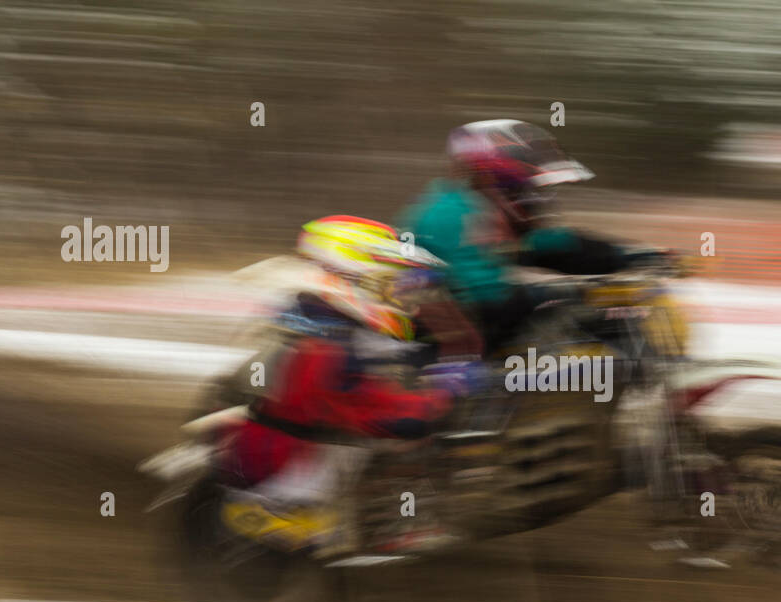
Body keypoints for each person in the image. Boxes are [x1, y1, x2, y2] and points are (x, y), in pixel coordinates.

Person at [222, 216, 482, 555]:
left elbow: (379, 356)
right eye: (388, 284)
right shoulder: (328, 344)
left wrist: (432, 367)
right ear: (350, 279)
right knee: (418, 435)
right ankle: (396, 522)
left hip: (275, 444)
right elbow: (370, 408)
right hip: (285, 477)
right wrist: (442, 396)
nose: (398, 295)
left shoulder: (316, 319)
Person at [400, 119, 630, 351]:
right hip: (443, 347)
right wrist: (560, 296)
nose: (536, 198)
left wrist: (625, 255)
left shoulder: (480, 208)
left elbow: (548, 245)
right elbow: (484, 298)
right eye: (528, 189)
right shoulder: (451, 214)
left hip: (471, 333)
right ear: (494, 180)